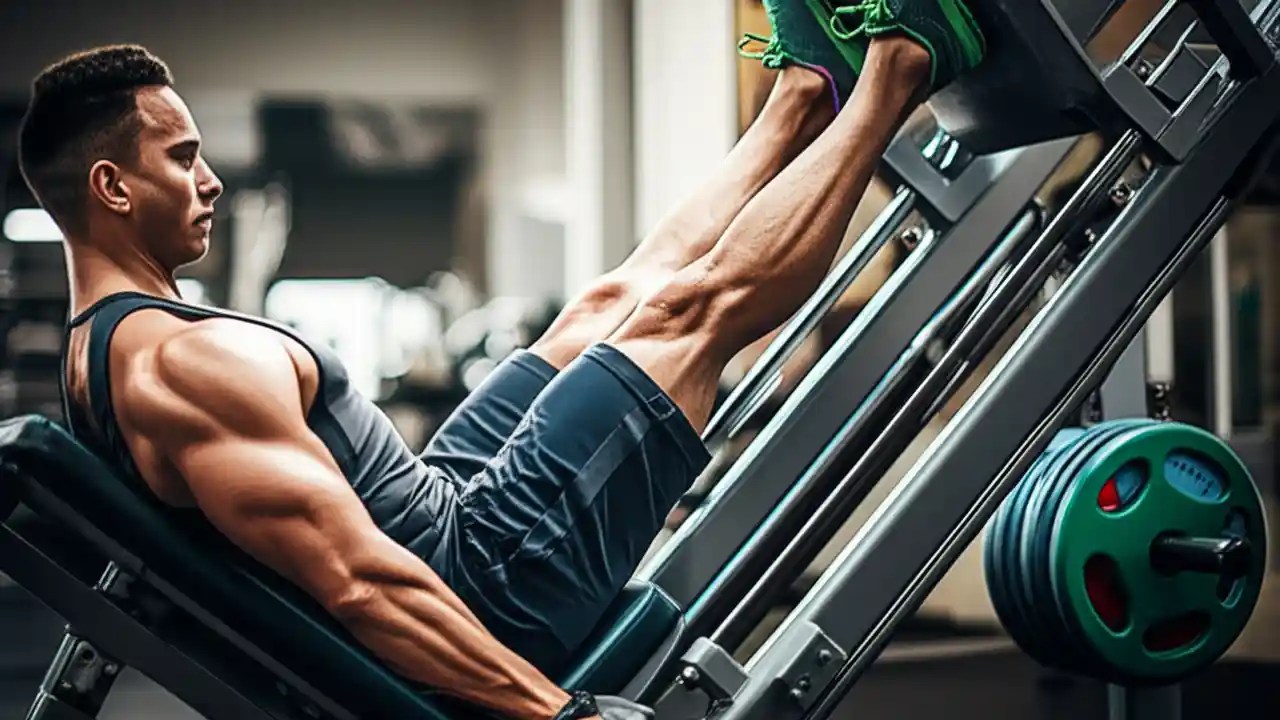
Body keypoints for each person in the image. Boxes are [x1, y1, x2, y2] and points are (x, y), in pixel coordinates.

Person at [16, 1, 983, 718]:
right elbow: (363, 586)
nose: (211, 177)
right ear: (111, 184)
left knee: (605, 304)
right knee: (689, 311)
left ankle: (799, 98)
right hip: (483, 580)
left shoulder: (107, 348)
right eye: (181, 157)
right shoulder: (181, 371)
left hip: (445, 509)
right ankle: (903, 62)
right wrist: (555, 713)